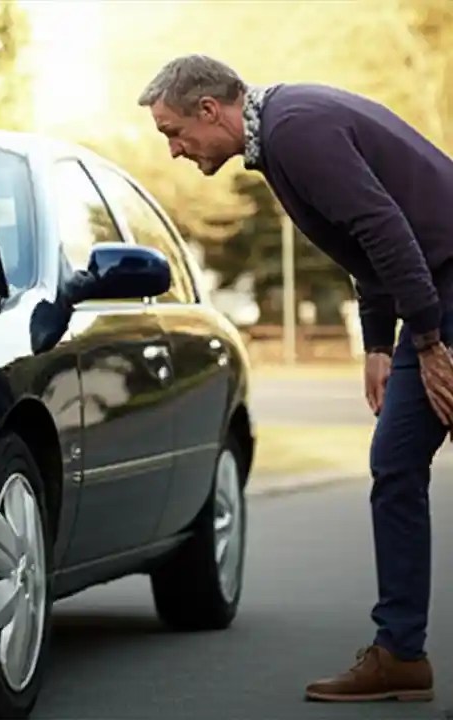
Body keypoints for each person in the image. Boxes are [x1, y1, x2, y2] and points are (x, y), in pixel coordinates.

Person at [136, 54, 453, 703]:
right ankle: (400, 654)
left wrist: (426, 340)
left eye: (174, 132)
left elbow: (382, 226)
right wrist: (375, 340)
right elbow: (363, 241)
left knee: (396, 464)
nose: (173, 150)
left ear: (209, 110)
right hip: (434, 293)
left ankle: (400, 649)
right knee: (395, 464)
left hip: (447, 290)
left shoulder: (295, 129)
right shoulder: (282, 132)